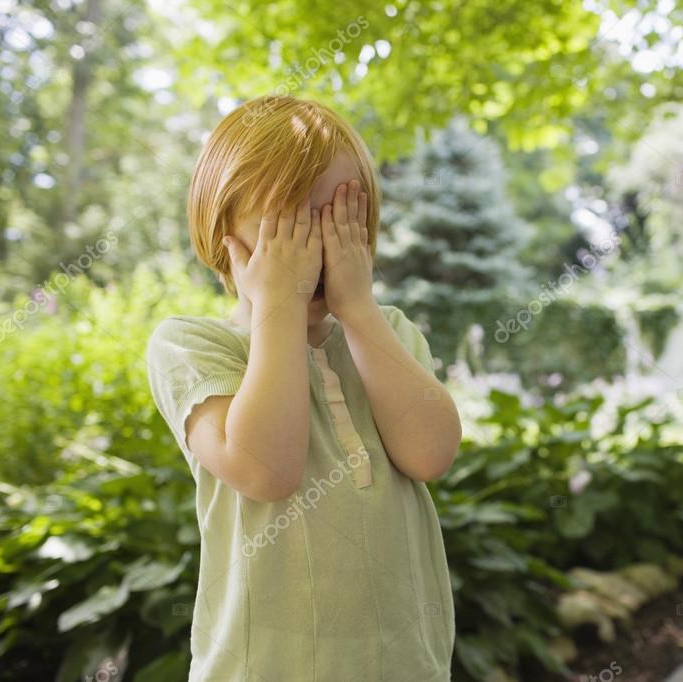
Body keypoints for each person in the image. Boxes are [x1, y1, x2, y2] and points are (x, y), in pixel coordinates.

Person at [145, 95, 460, 681]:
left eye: (336, 216)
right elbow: (267, 470)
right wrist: (279, 310)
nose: (313, 248)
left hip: (405, 665)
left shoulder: (385, 333)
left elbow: (431, 453)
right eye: (285, 228)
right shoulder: (190, 346)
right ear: (224, 240)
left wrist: (359, 311)